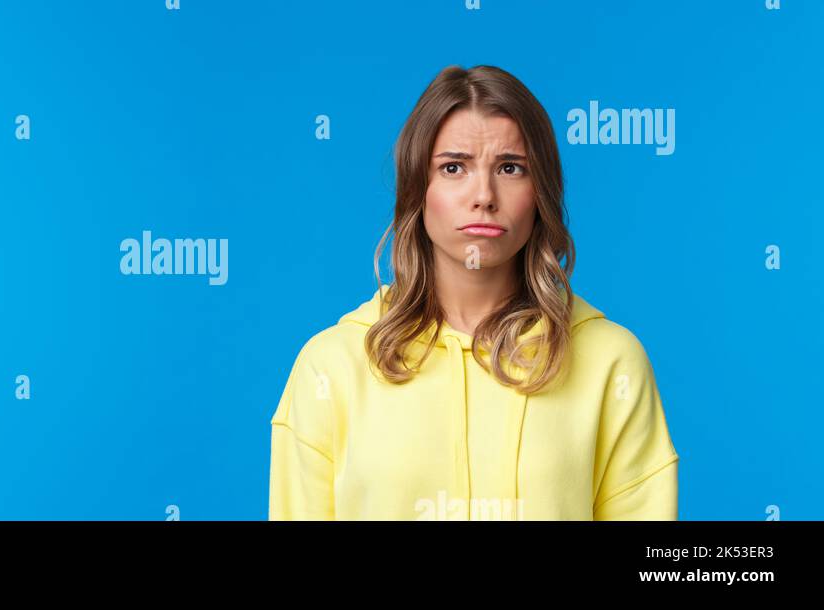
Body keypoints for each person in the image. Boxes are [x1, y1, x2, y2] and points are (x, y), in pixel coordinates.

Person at [268, 65, 679, 520]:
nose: (483, 194)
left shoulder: (611, 360)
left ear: (540, 190)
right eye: (453, 167)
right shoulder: (330, 366)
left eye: (510, 167)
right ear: (416, 189)